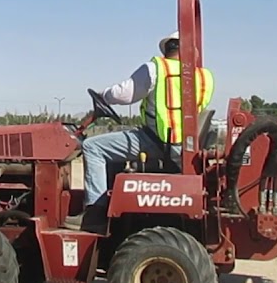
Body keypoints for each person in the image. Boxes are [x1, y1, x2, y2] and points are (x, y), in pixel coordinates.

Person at [64, 30, 215, 234]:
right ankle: (107, 199)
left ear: (168, 49)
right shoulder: (204, 77)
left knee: (93, 147)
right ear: (190, 51)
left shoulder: (157, 69)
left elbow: (125, 94)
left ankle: (94, 215)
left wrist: (103, 95)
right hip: (182, 147)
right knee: (113, 148)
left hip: (156, 141)